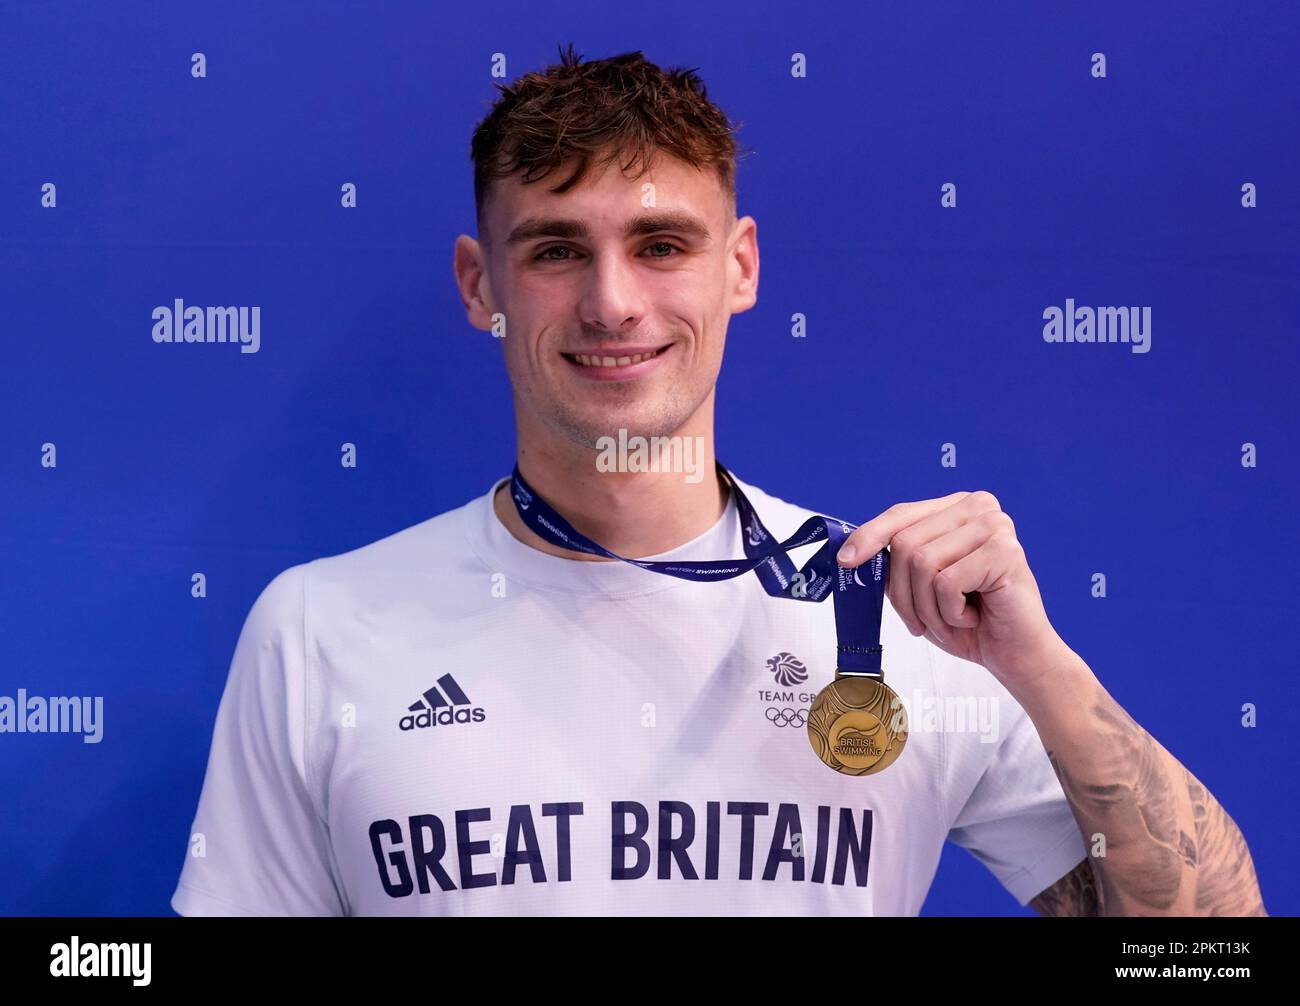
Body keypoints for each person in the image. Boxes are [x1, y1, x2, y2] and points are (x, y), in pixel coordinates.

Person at [171, 44, 1265, 917]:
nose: (611, 303)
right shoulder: (321, 629)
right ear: (479, 283)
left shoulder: (902, 615)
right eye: (555, 250)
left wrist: (1034, 662)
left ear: (739, 266)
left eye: (660, 245)